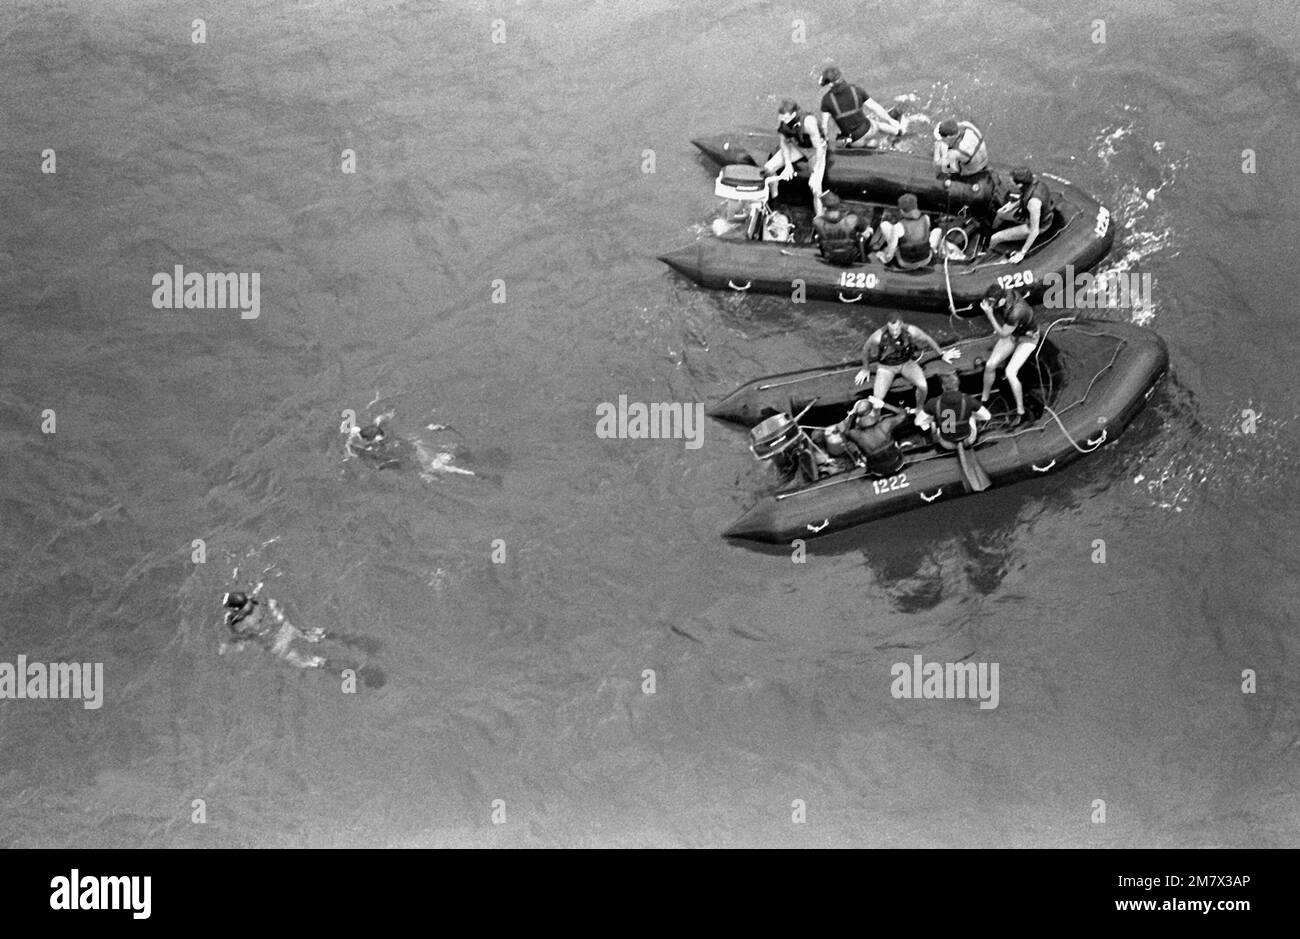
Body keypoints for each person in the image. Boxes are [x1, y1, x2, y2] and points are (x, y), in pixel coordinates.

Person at [856, 315, 961, 412]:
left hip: (906, 363)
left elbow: (927, 338)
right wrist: (865, 369)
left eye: (897, 329)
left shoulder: (911, 330)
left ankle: (919, 409)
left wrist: (942, 354)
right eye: (891, 330)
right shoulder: (878, 336)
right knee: (876, 402)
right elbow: (866, 349)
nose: (894, 333)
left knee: (923, 386)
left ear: (901, 325)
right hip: (886, 367)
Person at [978, 284, 1040, 426]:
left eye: (992, 304)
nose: (989, 305)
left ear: (1001, 301)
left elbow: (1002, 333)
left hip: (1028, 338)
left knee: (1010, 372)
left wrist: (990, 315)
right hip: (1015, 334)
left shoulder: (1015, 312)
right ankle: (984, 400)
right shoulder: (1005, 294)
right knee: (990, 364)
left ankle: (1021, 412)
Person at [220, 588, 326, 669]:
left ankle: (322, 663)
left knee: (304, 661)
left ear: (234, 610)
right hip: (285, 627)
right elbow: (275, 605)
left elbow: (243, 640)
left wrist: (227, 647)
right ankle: (329, 643)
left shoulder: (237, 624)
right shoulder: (256, 600)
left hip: (273, 642)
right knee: (316, 635)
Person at [762, 98, 828, 215]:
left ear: (793, 114)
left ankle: (819, 217)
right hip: (798, 145)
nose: (783, 120)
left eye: (785, 118)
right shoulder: (783, 121)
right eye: (781, 117)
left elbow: (818, 148)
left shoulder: (808, 122)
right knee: (768, 168)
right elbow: (784, 142)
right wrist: (788, 164)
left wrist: (816, 172)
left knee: (815, 187)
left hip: (814, 149)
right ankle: (775, 199)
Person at [817, 65, 904, 148]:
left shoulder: (826, 100)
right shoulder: (856, 89)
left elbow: (824, 125)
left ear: (829, 84)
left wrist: (825, 141)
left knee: (867, 142)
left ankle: (876, 144)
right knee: (877, 124)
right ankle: (898, 132)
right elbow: (874, 107)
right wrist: (890, 120)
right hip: (869, 130)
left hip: (855, 141)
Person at [989, 166, 1057, 263]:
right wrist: (1013, 206)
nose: (1009, 184)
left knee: (995, 238)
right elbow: (1025, 196)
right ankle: (990, 230)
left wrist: (1022, 253)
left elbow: (1034, 231)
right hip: (1027, 214)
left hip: (1038, 225)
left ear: (1020, 185)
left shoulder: (1033, 203)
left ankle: (987, 253)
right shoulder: (1034, 183)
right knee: (1000, 213)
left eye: (1011, 182)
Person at [916, 371, 992, 449]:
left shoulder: (933, 402)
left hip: (946, 444)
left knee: (934, 423)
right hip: (969, 440)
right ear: (958, 386)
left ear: (942, 386)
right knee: (971, 415)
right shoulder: (968, 399)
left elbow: (918, 422)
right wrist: (971, 415)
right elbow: (987, 416)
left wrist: (934, 419)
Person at [871, 193, 942, 269]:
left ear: (901, 210)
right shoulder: (926, 218)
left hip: (905, 262)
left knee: (884, 225)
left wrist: (884, 258)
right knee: (938, 230)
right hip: (926, 259)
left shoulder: (898, 227)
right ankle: (937, 253)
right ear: (916, 206)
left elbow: (892, 248)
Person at [812, 192, 869, 265]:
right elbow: (864, 231)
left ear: (824, 207)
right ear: (839, 205)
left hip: (830, 256)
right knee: (865, 234)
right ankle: (864, 260)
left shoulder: (817, 221)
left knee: (818, 236)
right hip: (851, 257)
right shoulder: (852, 218)